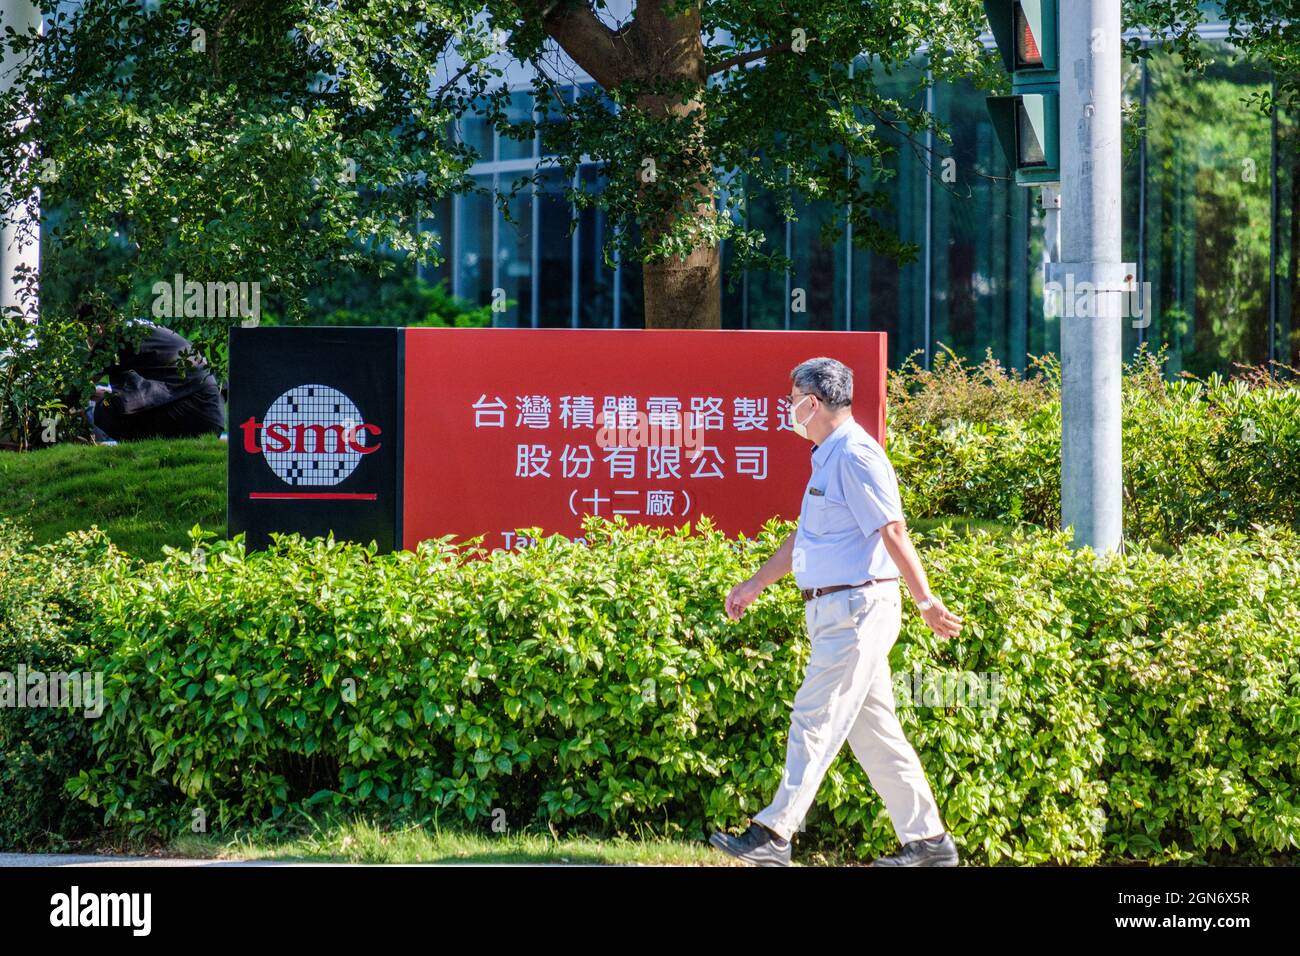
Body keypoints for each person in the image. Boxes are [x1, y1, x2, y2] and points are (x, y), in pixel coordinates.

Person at [709, 356, 964, 867]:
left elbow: (892, 530)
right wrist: (755, 584)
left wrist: (926, 601)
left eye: (792, 399)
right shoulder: (828, 456)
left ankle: (774, 833)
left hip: (856, 610)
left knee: (814, 716)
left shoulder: (856, 455)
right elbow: (805, 538)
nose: (787, 408)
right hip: (840, 609)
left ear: (814, 402)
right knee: (876, 735)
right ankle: (929, 844)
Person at [83, 313, 226, 442]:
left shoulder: (113, 338)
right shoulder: (138, 328)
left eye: (86, 336)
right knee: (116, 391)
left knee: (104, 410)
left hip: (194, 412)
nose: (88, 344)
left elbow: (76, 386)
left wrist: (85, 395)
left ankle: (135, 458)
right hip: (210, 415)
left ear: (97, 328)